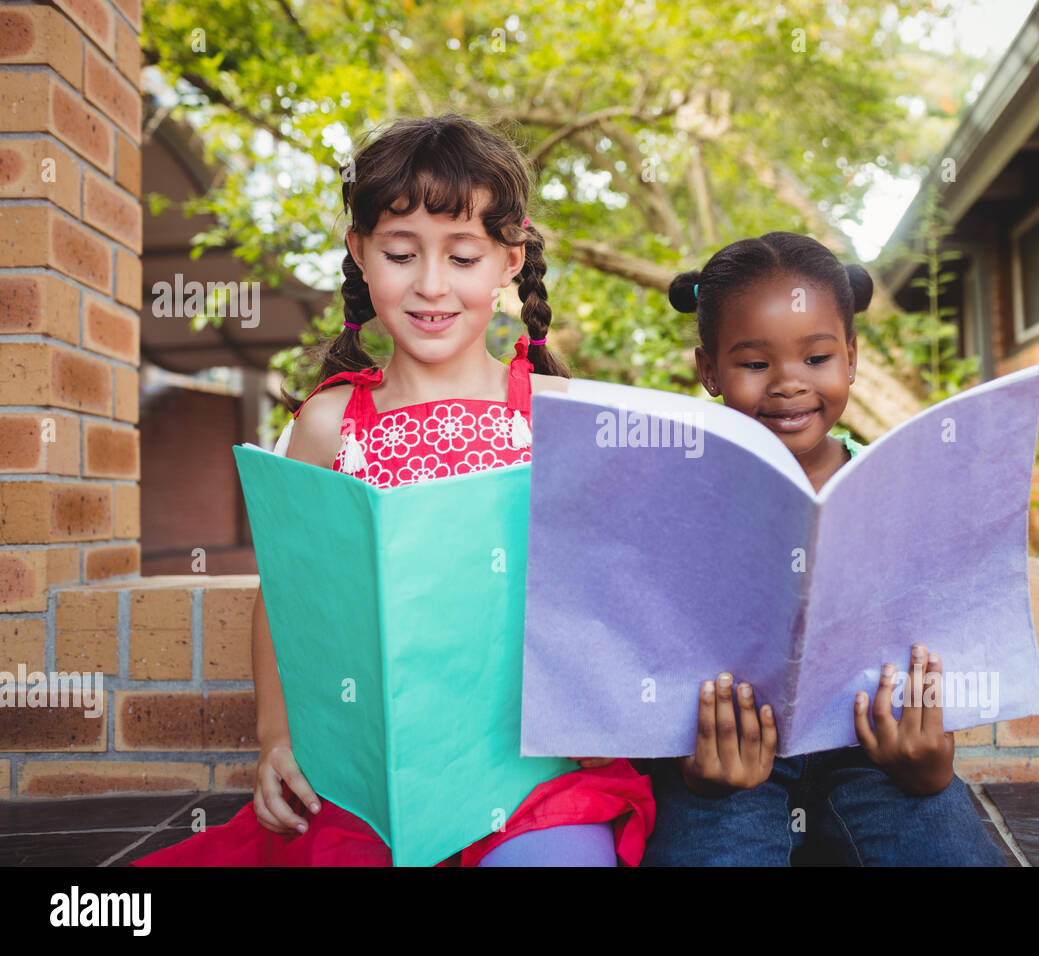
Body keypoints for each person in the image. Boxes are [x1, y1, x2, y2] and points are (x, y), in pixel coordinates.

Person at [133, 114, 654, 867]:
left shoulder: (555, 415)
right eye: (401, 254)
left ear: (510, 261)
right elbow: (288, 596)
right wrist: (275, 738)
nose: (431, 285)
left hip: (533, 777)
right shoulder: (330, 423)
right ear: (361, 254)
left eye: (464, 256)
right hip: (373, 782)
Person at [640, 232, 1005, 866]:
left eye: (817, 359)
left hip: (873, 750)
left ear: (852, 358)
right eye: (754, 364)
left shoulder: (897, 489)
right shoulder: (677, 497)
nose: (788, 384)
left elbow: (936, 629)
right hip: (732, 754)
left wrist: (931, 765)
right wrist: (694, 770)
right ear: (708, 370)